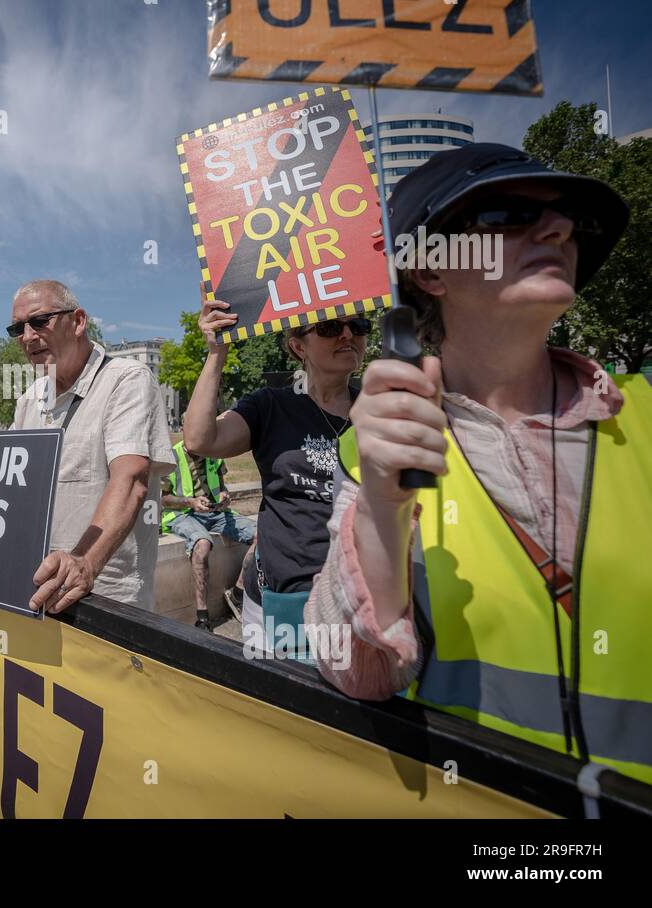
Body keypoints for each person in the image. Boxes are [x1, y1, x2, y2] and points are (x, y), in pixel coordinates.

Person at [304, 143, 651, 785]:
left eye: (568, 217)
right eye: (504, 216)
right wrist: (382, 507)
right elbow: (350, 667)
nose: (557, 229)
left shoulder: (646, 415)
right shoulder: (374, 448)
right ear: (431, 271)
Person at [183, 286, 373, 659]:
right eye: (331, 327)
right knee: (280, 707)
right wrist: (217, 352)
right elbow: (200, 439)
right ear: (297, 347)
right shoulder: (271, 405)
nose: (349, 335)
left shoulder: (382, 406)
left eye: (359, 324)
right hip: (280, 599)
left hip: (360, 596)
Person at [9, 280, 175, 613]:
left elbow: (130, 482)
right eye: (17, 328)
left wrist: (83, 562)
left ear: (79, 321)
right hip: (36, 591)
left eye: (40, 321)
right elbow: (2, 485)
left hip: (106, 601)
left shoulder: (127, 379)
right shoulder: (29, 401)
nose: (27, 337)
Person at [160, 439, 255, 630]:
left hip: (216, 512)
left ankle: (237, 592)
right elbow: (163, 498)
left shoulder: (213, 451)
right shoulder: (171, 457)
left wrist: (224, 496)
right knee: (202, 545)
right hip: (182, 514)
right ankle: (202, 616)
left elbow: (221, 486)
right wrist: (190, 502)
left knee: (263, 536)